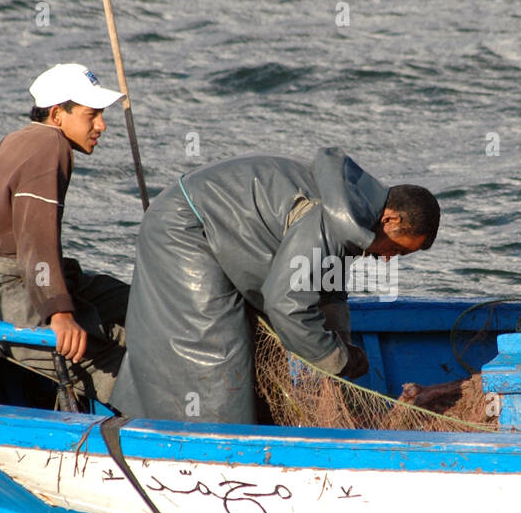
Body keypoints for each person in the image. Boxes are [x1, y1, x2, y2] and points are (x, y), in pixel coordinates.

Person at [110, 147, 439, 423]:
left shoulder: (353, 221)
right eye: (395, 249)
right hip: (186, 229)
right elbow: (288, 304)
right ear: (391, 220)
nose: (387, 260)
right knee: (214, 354)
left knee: (258, 355)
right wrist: (336, 359)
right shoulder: (328, 217)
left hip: (218, 238)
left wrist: (340, 346)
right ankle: (208, 451)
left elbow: (327, 293)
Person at [0, 63, 130, 407]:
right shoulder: (50, 145)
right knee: (111, 362)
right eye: (92, 115)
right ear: (57, 114)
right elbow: (36, 238)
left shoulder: (21, 139)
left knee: (131, 304)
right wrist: (59, 314)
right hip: (1, 292)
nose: (102, 125)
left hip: (15, 279)